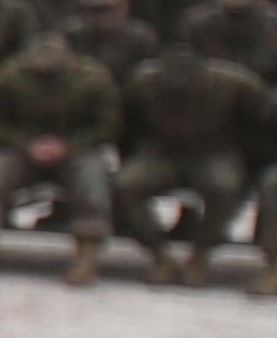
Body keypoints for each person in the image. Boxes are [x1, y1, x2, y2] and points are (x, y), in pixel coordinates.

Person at [0, 26, 118, 284]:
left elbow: (108, 126)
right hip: (23, 149)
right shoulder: (9, 77)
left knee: (92, 182)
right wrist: (26, 145)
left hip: (77, 149)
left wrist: (68, 146)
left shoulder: (95, 80)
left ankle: (87, 256)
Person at [114, 40, 272, 289]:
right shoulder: (142, 81)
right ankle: (160, 255)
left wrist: (250, 157)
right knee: (127, 184)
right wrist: (133, 153)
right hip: (161, 151)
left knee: (225, 186)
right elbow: (127, 122)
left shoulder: (236, 82)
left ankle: (201, 253)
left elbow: (264, 117)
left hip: (214, 151)